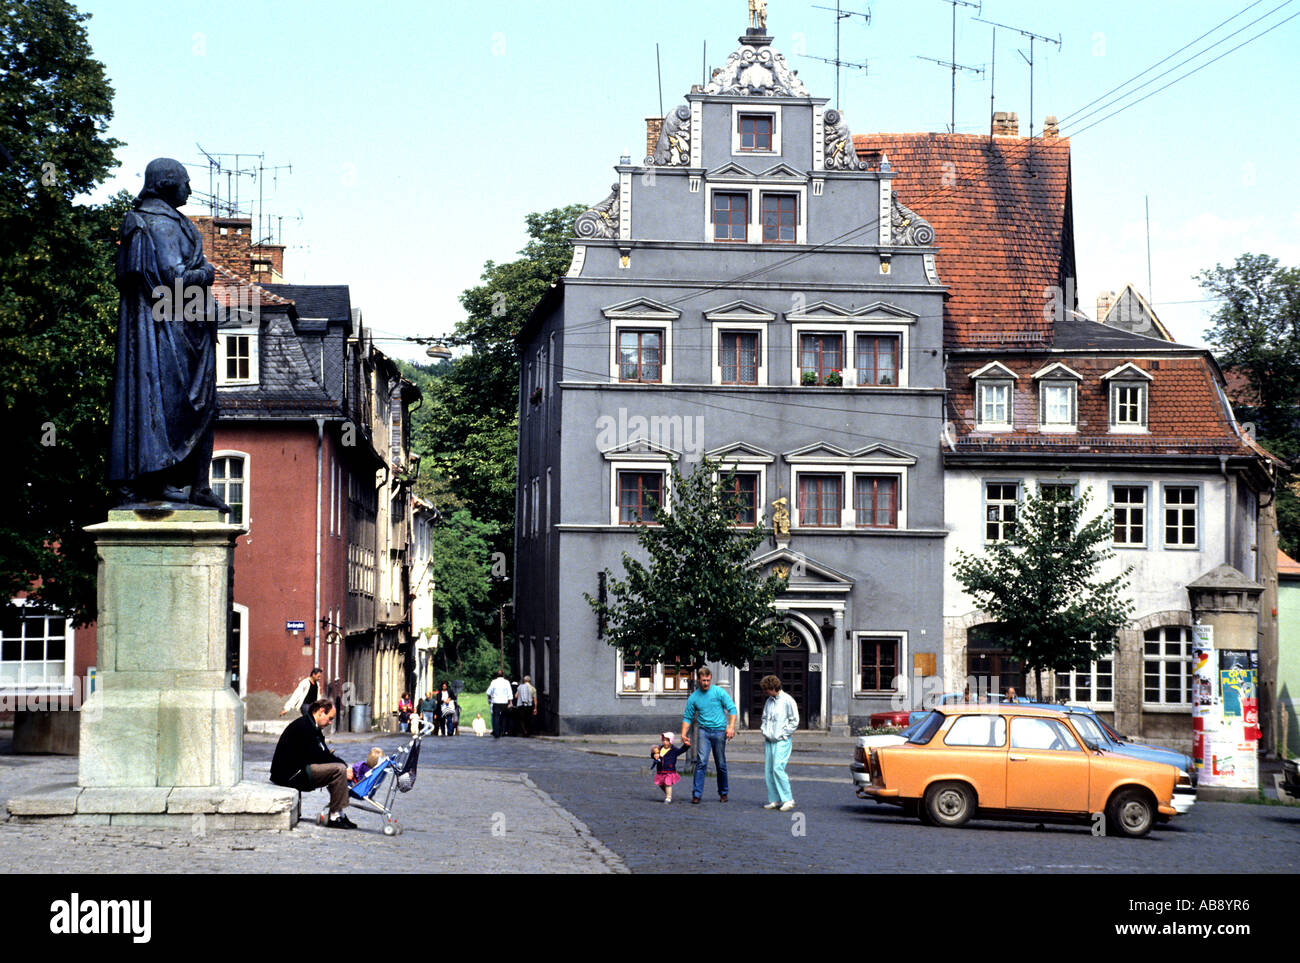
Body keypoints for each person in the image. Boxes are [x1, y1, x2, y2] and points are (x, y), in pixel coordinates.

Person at [109, 157, 228, 511]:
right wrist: (206, 274)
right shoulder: (158, 223)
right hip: (166, 331)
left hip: (187, 327)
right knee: (168, 402)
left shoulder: (172, 220)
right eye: (185, 181)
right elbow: (173, 278)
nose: (190, 188)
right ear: (165, 182)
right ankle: (158, 478)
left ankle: (199, 486)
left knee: (205, 405)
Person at [270, 699, 357, 829]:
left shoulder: (311, 725)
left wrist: (344, 765)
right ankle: (334, 816)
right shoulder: (305, 726)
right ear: (321, 712)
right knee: (339, 770)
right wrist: (344, 767)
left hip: (297, 769)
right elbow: (319, 756)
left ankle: (339, 813)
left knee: (339, 768)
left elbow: (323, 753)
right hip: (290, 775)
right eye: (330, 718)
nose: (330, 723)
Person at [680, 667, 738, 804]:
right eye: (703, 680)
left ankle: (723, 792)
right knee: (701, 762)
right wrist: (683, 734)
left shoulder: (719, 692)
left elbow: (732, 709)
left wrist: (731, 727)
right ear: (698, 680)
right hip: (703, 731)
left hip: (719, 731)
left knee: (721, 763)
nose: (706, 683)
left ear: (710, 679)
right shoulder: (694, 697)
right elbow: (687, 717)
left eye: (708, 680)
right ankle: (696, 794)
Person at [759, 674, 799, 812]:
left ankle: (788, 799)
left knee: (778, 768)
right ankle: (775, 799)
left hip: (782, 741)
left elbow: (794, 720)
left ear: (773, 688)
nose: (765, 692)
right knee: (769, 770)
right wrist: (764, 730)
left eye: (767, 690)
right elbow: (765, 717)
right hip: (769, 740)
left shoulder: (788, 700)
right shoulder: (769, 701)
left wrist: (784, 734)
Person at [650, 731, 691, 804]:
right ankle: (668, 793)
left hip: (669, 770)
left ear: (671, 741)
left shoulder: (674, 750)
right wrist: (654, 755)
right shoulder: (659, 748)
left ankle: (668, 797)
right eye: (663, 740)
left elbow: (681, 751)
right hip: (660, 770)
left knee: (668, 783)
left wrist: (686, 745)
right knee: (660, 783)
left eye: (667, 740)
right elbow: (653, 754)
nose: (665, 742)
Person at [486, 671, 513, 738]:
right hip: (504, 702)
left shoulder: (494, 682)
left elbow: (488, 692)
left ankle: (496, 732)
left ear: (496, 675)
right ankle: (503, 731)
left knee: (496, 717)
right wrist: (510, 702)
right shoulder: (506, 682)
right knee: (504, 717)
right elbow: (509, 692)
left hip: (496, 702)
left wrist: (489, 700)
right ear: (503, 675)